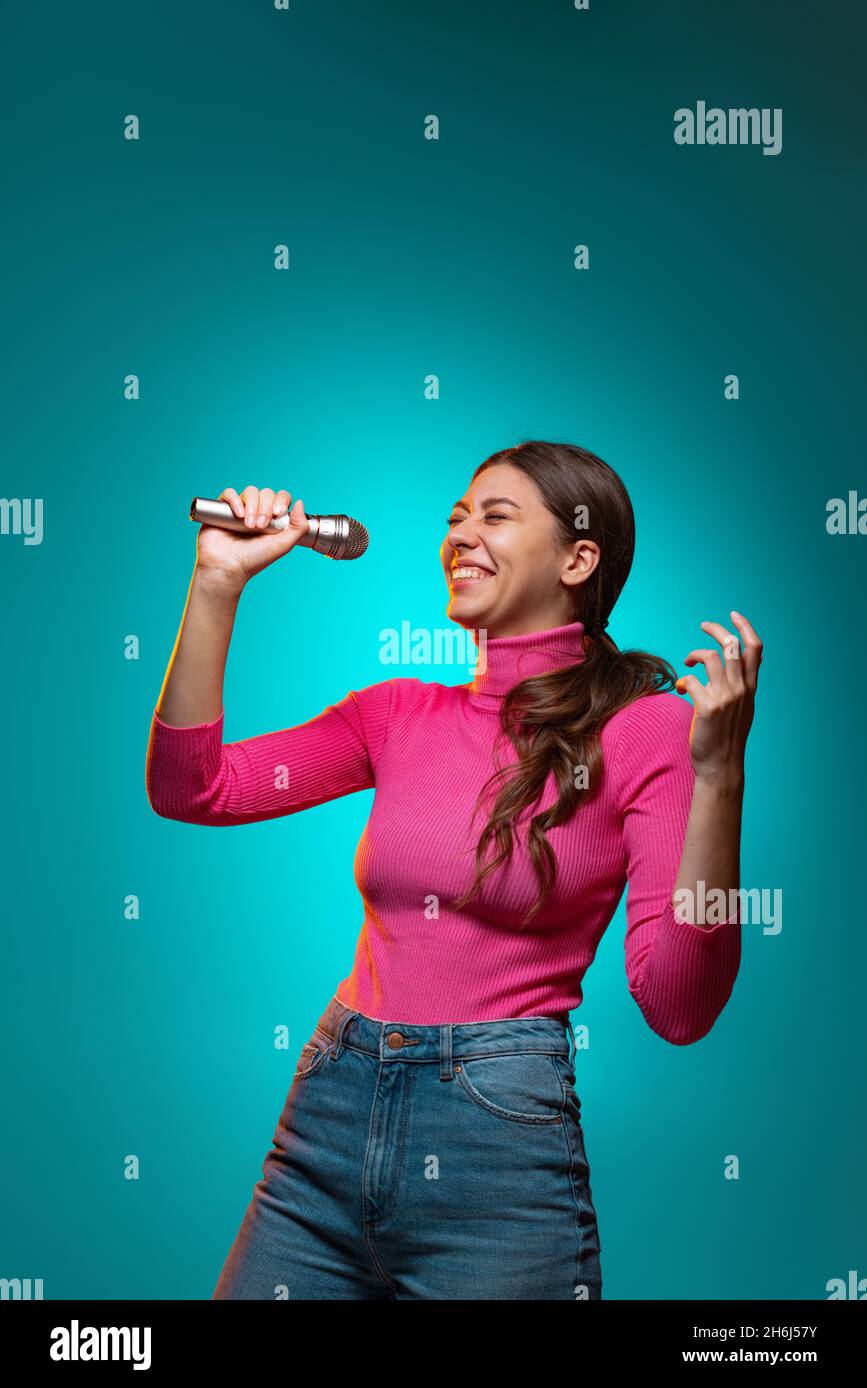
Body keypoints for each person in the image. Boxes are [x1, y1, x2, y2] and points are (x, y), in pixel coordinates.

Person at [145, 439, 762, 1300]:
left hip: (496, 1148)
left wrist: (718, 778)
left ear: (578, 557)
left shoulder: (644, 731)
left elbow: (679, 1004)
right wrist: (217, 584)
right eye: (456, 518)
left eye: (496, 517)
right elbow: (192, 788)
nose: (462, 534)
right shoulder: (394, 713)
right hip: (327, 1116)